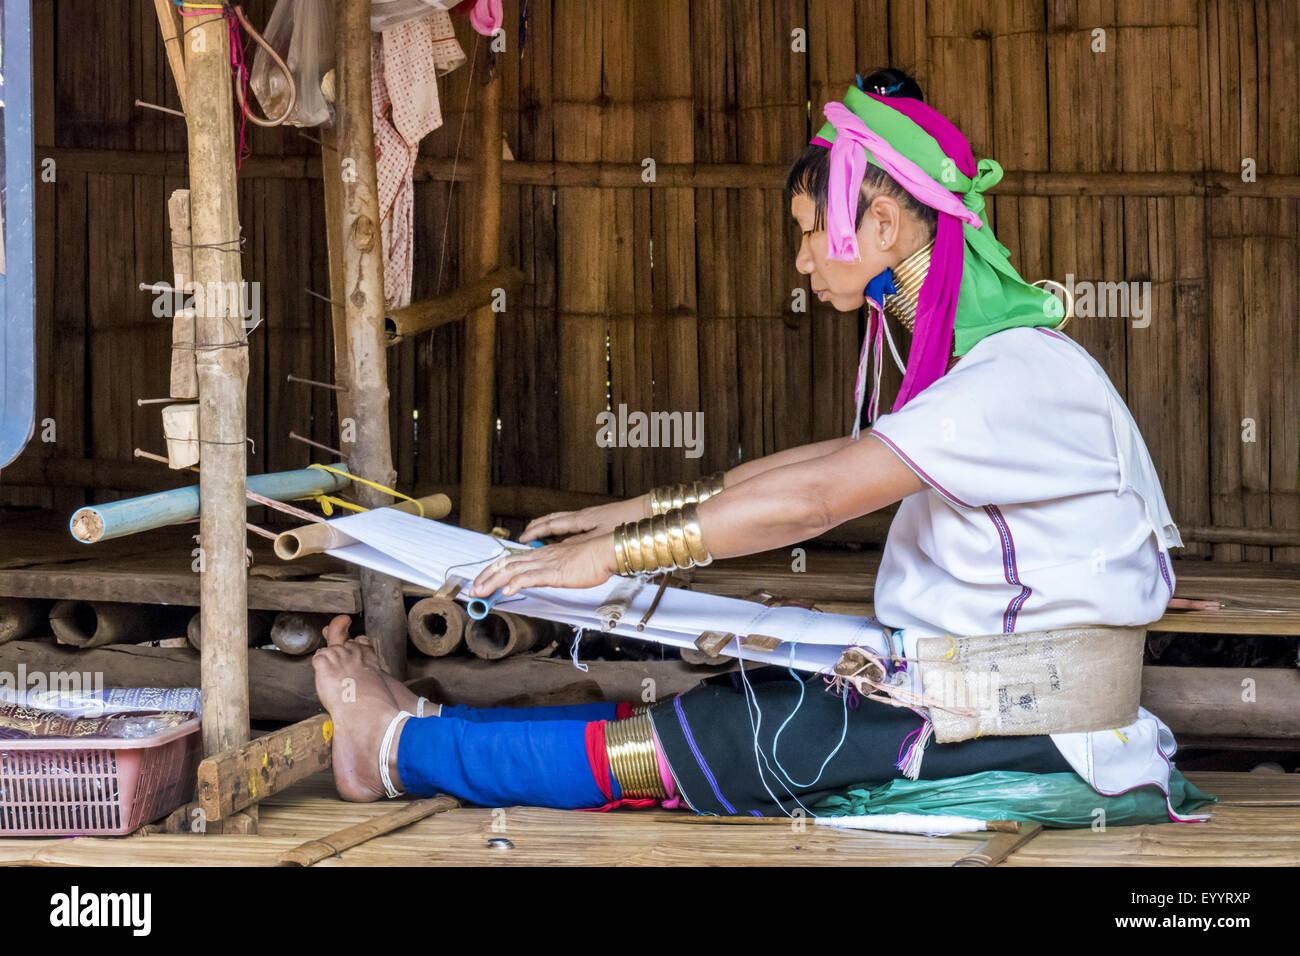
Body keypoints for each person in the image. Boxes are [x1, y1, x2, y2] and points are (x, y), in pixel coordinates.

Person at [314, 68, 1197, 820]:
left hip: (1018, 722)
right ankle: (417, 731)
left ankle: (389, 752)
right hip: (961, 689)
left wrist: (609, 559)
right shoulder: (997, 366)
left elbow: (819, 499)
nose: (806, 260)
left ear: (881, 225)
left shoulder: (1012, 377)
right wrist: (627, 513)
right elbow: (819, 465)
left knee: (705, 744)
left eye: (813, 232)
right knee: (734, 703)